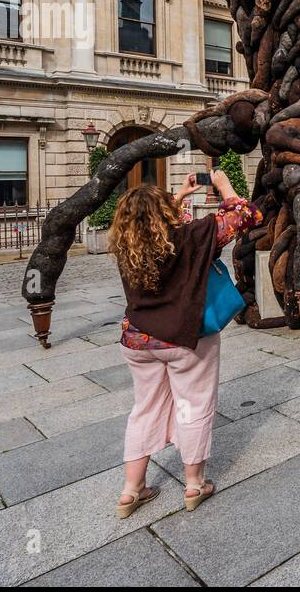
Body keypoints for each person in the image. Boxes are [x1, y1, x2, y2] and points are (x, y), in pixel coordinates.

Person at [109, 167, 262, 518]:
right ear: (166, 213)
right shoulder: (194, 235)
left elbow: (155, 225)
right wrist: (224, 186)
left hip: (137, 339)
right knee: (192, 405)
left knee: (144, 409)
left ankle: (131, 491)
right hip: (184, 338)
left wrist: (176, 195)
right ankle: (194, 485)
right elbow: (248, 215)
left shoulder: (126, 244)